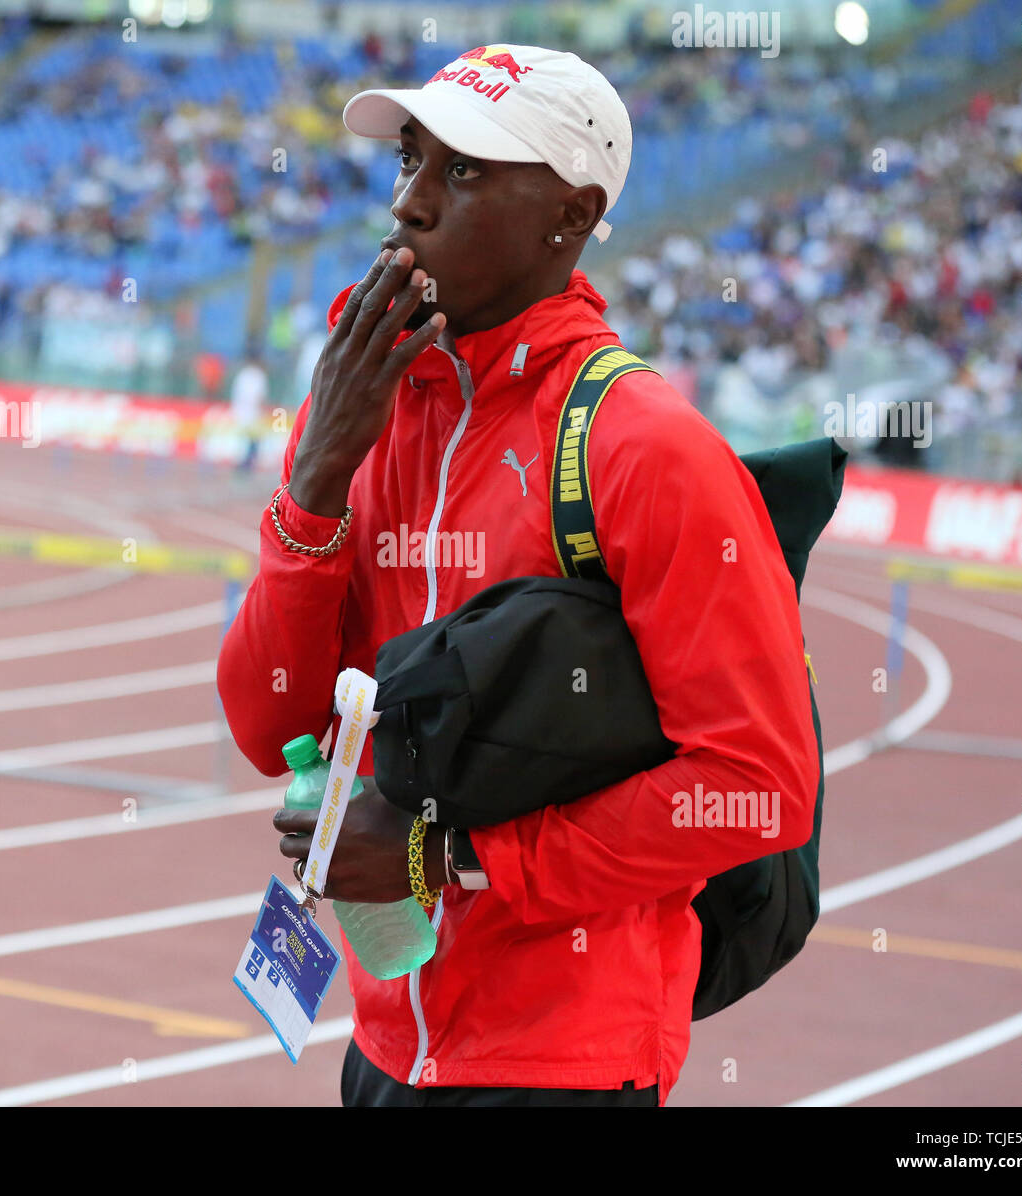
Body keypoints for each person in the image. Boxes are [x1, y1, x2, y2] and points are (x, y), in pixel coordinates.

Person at [215, 43, 818, 1107]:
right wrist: (312, 488)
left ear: (571, 218)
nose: (407, 202)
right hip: (386, 1040)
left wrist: (446, 856)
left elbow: (755, 790)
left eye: (463, 171)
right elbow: (270, 725)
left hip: (566, 1061)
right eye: (410, 158)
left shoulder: (645, 445)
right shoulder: (360, 411)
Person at [228, 345, 269, 474]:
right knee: (250, 443)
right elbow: (260, 398)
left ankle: (244, 467)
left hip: (241, 412)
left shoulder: (243, 375)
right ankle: (245, 467)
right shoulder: (258, 376)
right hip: (252, 413)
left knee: (246, 442)